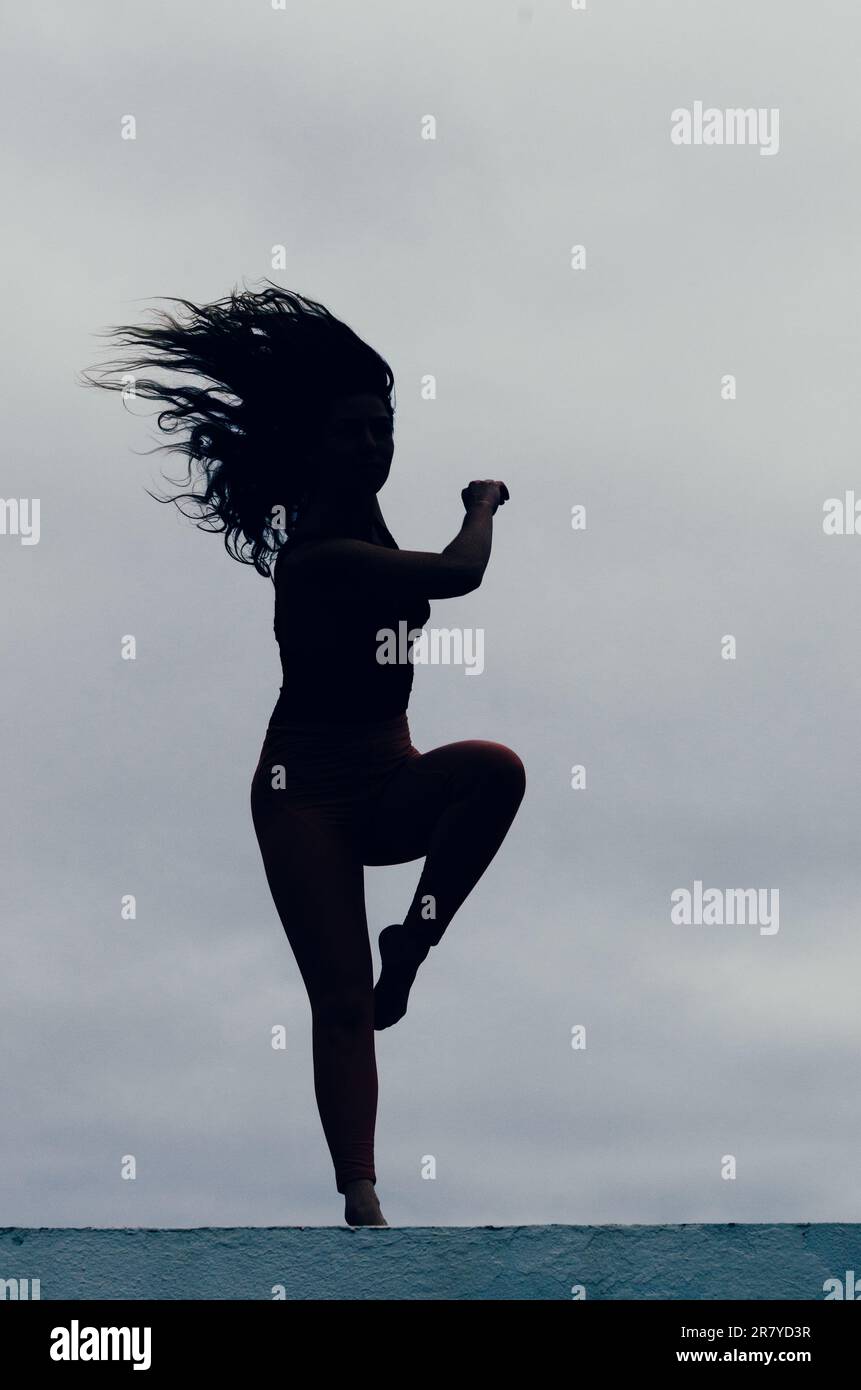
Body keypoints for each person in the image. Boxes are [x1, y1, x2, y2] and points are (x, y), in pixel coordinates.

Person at [84, 284, 526, 1227]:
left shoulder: (365, 525)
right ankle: (360, 1194)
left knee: (494, 770)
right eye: (352, 432)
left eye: (383, 428)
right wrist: (481, 500)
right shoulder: (318, 553)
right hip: (303, 796)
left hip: (387, 772)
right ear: (315, 444)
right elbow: (460, 574)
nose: (373, 446)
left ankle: (409, 946)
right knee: (337, 1000)